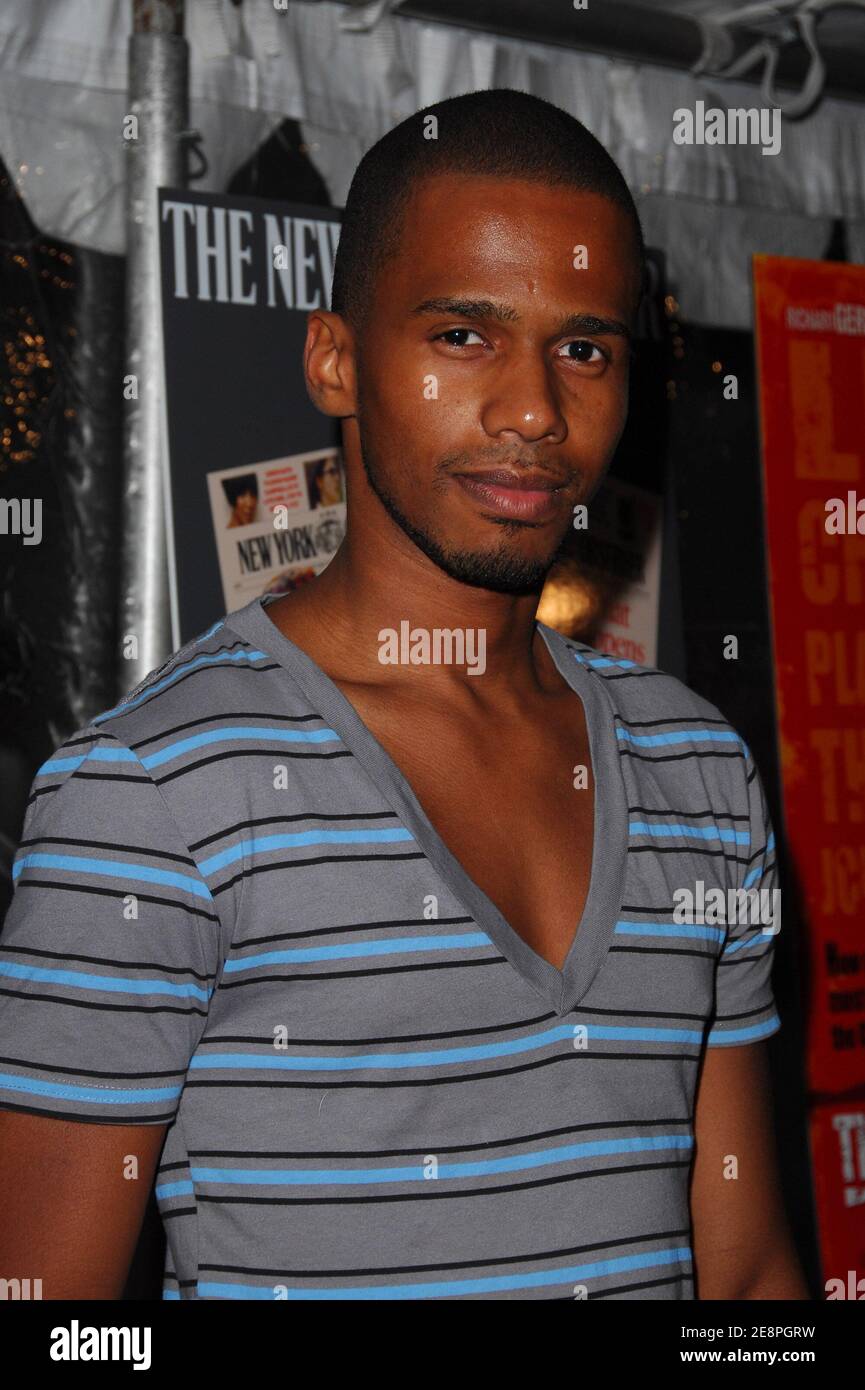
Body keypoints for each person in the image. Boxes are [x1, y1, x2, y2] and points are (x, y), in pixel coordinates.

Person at [0, 89, 808, 1300]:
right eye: (464, 335)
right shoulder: (153, 797)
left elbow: (743, 1274)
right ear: (334, 357)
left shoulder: (699, 768)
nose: (535, 407)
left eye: (582, 346)